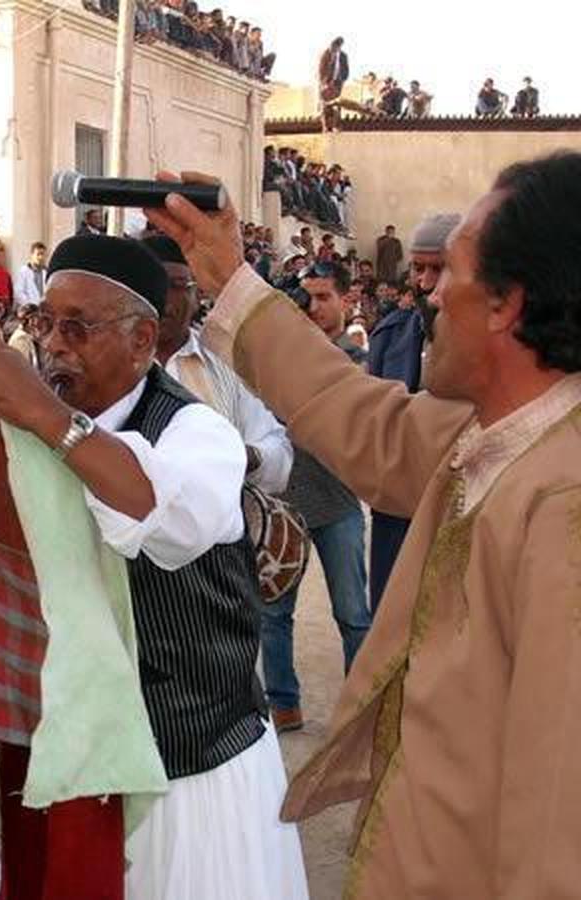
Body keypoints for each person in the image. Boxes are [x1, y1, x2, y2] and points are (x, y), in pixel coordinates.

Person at [147, 152, 581, 898]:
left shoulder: (564, 504)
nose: (430, 296)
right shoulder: (490, 435)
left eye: (450, 273)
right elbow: (357, 414)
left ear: (508, 302)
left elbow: (558, 828)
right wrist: (230, 276)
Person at [0, 234, 307, 900]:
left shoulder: (195, 433)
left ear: (144, 340)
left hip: (187, 772)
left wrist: (45, 415)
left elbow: (161, 515)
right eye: (43, 322)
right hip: (54, 755)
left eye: (78, 327)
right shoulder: (3, 411)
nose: (53, 344)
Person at [261, 261, 372, 732]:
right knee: (274, 612)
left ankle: (360, 711)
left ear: (346, 300)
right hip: (285, 502)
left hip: (338, 502)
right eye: (306, 297)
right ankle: (283, 702)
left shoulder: (354, 354)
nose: (314, 307)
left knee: (352, 613)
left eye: (324, 297)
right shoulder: (281, 353)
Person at [145, 235, 292, 496]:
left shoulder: (228, 362)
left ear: (197, 293)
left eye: (176, 285)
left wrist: (244, 457)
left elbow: (278, 455)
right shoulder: (108, 362)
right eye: (151, 285)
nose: (163, 299)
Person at [366, 214, 459, 613]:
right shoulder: (390, 334)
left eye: (439, 269)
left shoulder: (497, 347)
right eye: (419, 268)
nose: (426, 282)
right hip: (398, 503)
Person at [12, 241, 48, 309]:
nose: (41, 257)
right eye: (38, 254)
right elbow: (18, 293)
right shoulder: (23, 271)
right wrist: (30, 305)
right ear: (31, 255)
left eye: (43, 254)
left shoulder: (46, 272)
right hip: (28, 310)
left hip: (42, 309)